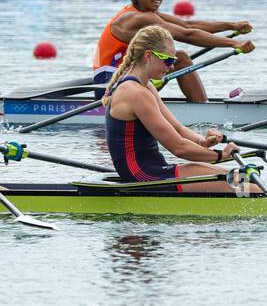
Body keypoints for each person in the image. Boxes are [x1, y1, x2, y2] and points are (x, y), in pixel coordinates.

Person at [102, 25, 243, 189]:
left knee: (242, 180)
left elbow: (178, 129)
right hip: (144, 176)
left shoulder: (147, 87)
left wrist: (202, 142)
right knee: (240, 183)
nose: (171, 67)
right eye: (168, 60)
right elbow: (179, 148)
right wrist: (220, 155)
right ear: (148, 56)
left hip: (156, 170)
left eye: (173, 61)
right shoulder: (134, 93)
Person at [92, 0, 255, 101]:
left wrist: (232, 26)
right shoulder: (134, 17)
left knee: (177, 58)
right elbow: (186, 34)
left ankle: (202, 107)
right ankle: (203, 109)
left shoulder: (146, 13)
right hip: (109, 84)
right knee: (180, 58)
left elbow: (187, 24)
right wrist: (234, 43)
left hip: (126, 76)